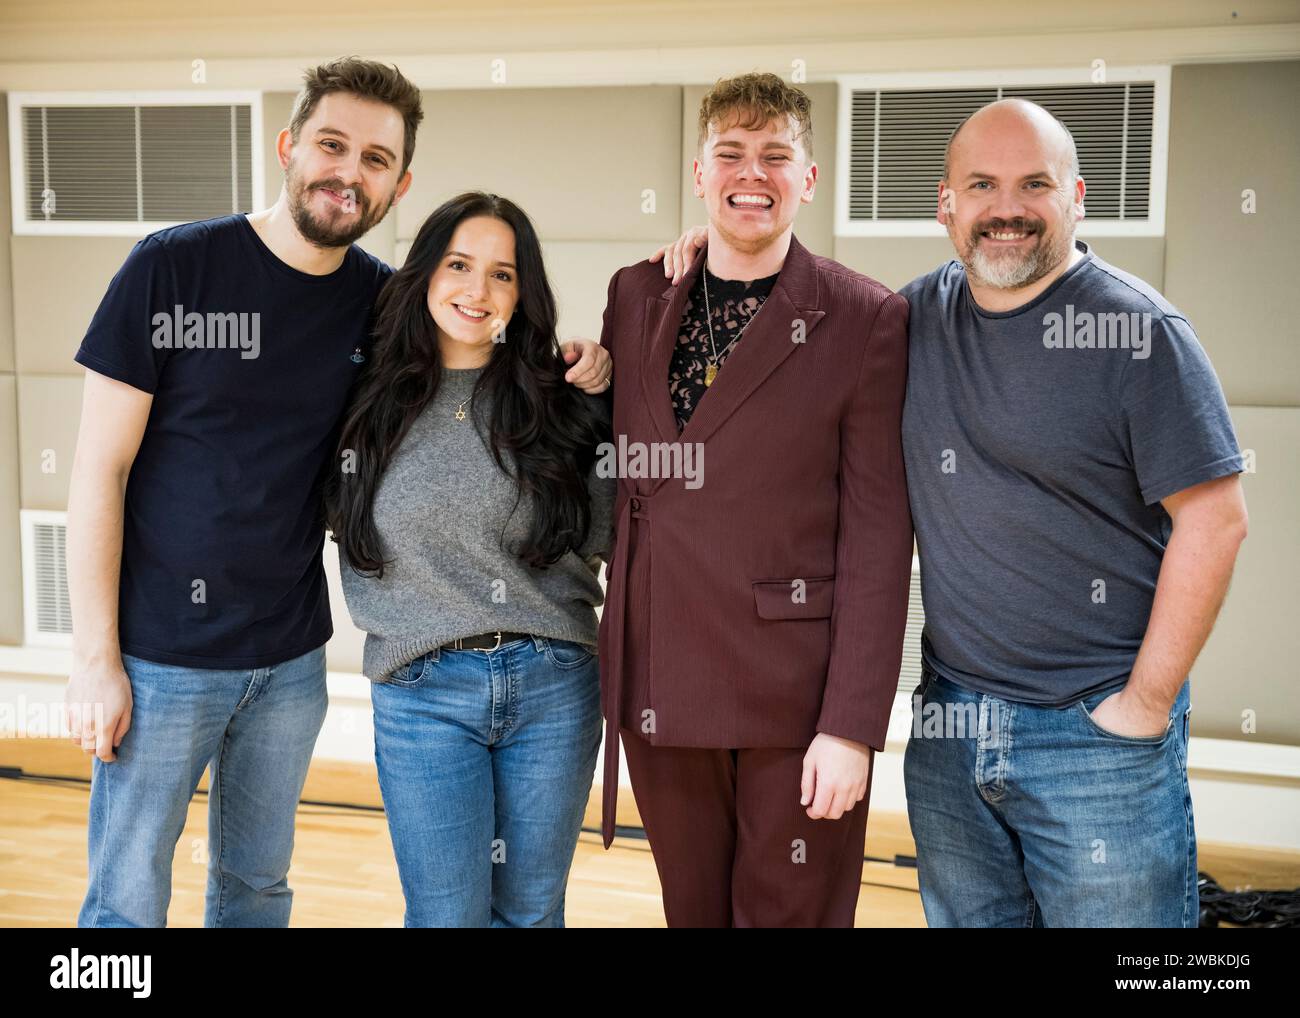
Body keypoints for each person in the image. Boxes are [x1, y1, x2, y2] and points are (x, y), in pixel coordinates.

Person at [65, 56, 610, 928]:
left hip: (289, 661)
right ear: (288, 146)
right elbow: (99, 470)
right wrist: (95, 660)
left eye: (376, 159)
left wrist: (578, 363)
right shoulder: (173, 269)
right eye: (331, 144)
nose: (348, 173)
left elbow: (479, 341)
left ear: (398, 186)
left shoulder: (377, 305)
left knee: (255, 887)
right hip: (160, 657)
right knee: (126, 899)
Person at [896, 98, 1247, 928]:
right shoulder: (909, 320)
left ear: (1077, 197)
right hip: (949, 724)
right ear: (946, 202)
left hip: (1097, 733)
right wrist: (690, 260)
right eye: (981, 185)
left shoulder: (1139, 331)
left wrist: (1145, 707)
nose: (1006, 209)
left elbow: (1217, 520)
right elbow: (783, 312)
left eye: (1034, 185)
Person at [594, 72, 913, 927]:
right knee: (692, 913)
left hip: (792, 697)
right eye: (731, 154)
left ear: (809, 179)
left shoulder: (865, 318)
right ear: (699, 173)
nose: (752, 173)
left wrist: (852, 726)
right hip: (659, 674)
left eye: (777, 156)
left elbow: (879, 540)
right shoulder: (636, 293)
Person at [327, 192, 615, 928]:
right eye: (458, 265)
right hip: (422, 692)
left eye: (502, 274)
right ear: (425, 273)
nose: (477, 291)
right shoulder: (362, 401)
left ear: (524, 294)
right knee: (446, 916)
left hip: (554, 684)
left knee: (530, 911)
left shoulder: (562, 399)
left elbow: (607, 534)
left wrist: (607, 392)